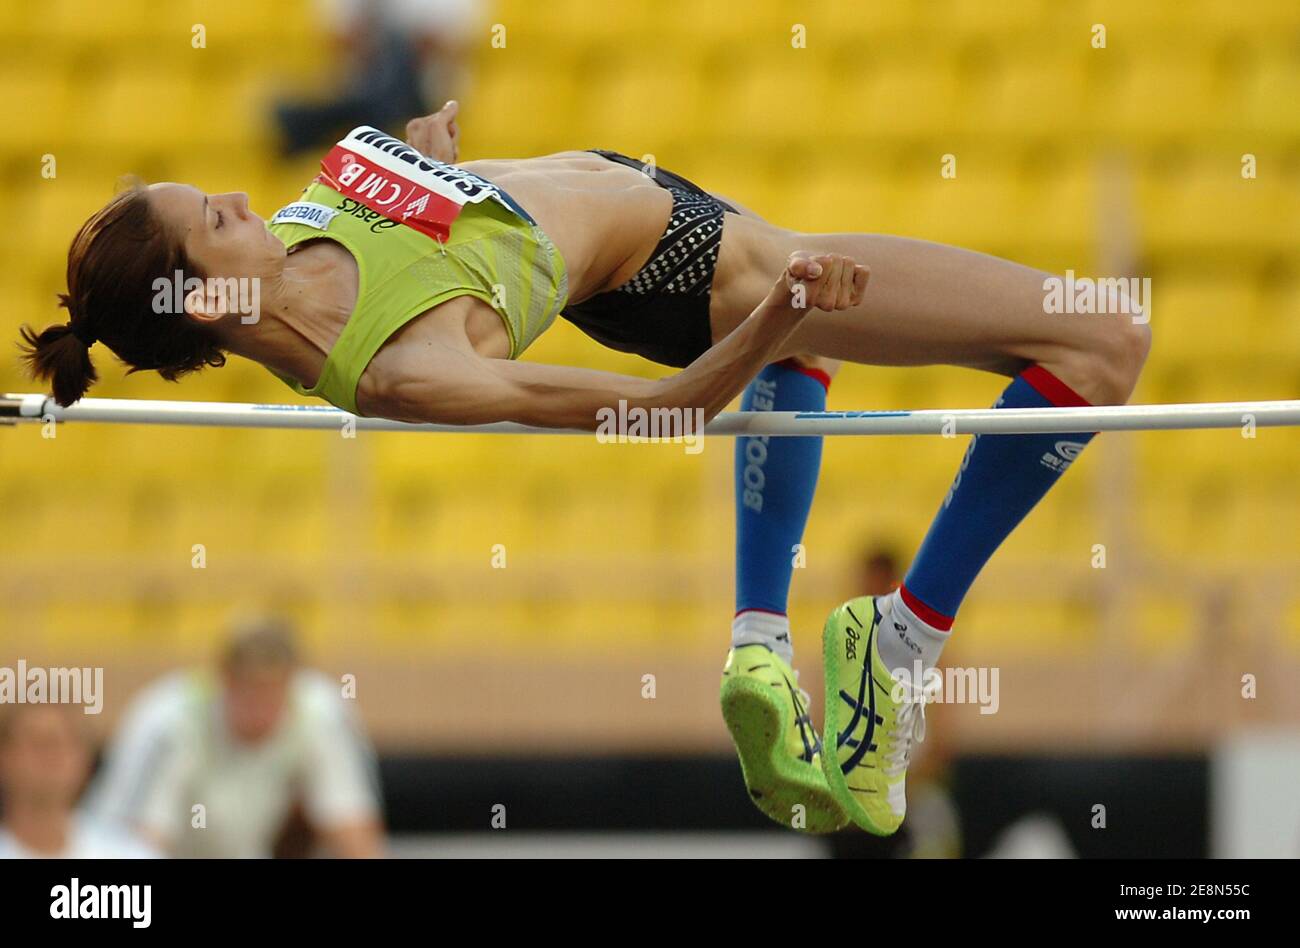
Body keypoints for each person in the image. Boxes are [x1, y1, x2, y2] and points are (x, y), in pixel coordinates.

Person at [19, 102, 1151, 837]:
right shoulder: (407, 374)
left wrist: (429, 153)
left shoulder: (302, 234)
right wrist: (773, 315)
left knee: (838, 352)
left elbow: (433, 223)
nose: (235, 197)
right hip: (699, 263)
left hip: (664, 214)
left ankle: (768, 639)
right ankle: (897, 641)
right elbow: (661, 415)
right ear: (208, 295)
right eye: (211, 219)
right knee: (1102, 339)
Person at [85, 618, 385, 858]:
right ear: (224, 680)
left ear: (291, 685)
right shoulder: (172, 721)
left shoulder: (317, 711)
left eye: (271, 696)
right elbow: (141, 843)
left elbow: (352, 831)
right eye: (249, 694)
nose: (260, 713)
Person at [0, 704, 158, 859]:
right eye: (39, 743)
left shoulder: (129, 852)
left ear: (86, 759)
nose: (52, 757)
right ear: (5, 756)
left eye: (63, 744)